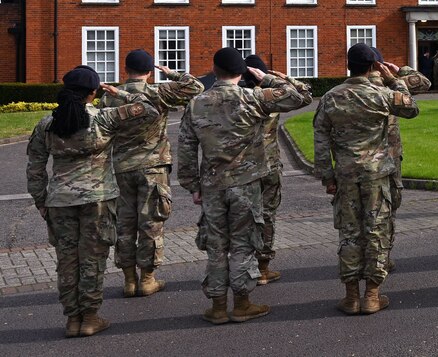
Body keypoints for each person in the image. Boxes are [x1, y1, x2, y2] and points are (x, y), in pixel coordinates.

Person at [177, 47, 313, 324]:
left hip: (212, 185)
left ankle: (217, 306)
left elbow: (187, 147)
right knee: (242, 244)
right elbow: (302, 96)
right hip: (246, 183)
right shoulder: (253, 98)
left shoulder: (196, 103)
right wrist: (268, 78)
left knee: (216, 245)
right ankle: (241, 303)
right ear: (242, 72)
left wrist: (192, 185)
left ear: (215, 70)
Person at [26, 66, 160, 338]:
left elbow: (35, 168)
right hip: (98, 200)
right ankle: (90, 318)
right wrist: (121, 93)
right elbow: (150, 110)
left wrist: (41, 201)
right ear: (93, 91)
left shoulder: (47, 124)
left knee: (66, 261)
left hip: (59, 201)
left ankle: (72, 319)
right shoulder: (104, 118)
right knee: (92, 260)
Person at [313, 45, 419, 315]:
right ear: (374, 66)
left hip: (345, 174)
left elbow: (321, 140)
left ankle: (351, 297)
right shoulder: (382, 94)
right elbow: (411, 108)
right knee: (376, 232)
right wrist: (394, 79)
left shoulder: (330, 97)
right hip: (377, 174)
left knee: (349, 234)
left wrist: (327, 175)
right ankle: (372, 295)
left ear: (349, 65)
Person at [103, 49, 202, 298]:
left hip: (121, 168)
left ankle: (128, 280)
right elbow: (196, 88)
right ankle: (147, 279)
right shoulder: (157, 93)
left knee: (124, 224)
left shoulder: (110, 97)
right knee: (151, 224)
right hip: (152, 168)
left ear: (126, 70)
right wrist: (172, 73)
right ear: (149, 72)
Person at [367, 47, 430, 272]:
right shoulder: (390, 85)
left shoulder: (345, 90)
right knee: (388, 207)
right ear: (379, 65)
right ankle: (383, 256)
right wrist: (398, 72)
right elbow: (424, 83)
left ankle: (362, 260)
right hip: (389, 158)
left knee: (358, 214)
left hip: (358, 162)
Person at [238, 54, 286, 285]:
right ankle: (263, 268)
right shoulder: (270, 98)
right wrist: (272, 79)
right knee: (267, 216)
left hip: (242, 168)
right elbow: (302, 94)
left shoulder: (237, 99)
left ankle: (246, 268)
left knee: (244, 218)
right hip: (269, 166)